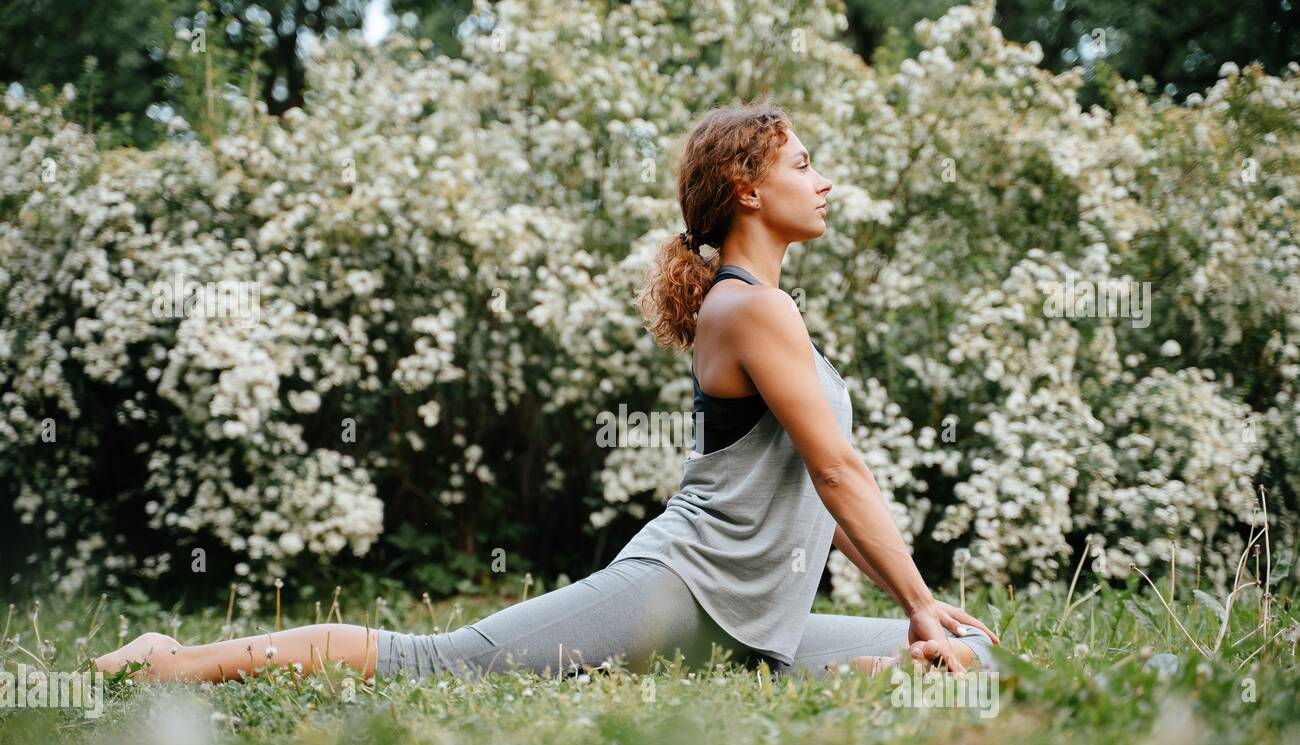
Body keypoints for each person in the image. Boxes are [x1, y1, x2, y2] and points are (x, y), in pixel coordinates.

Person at [94, 101, 1000, 687]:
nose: (824, 179)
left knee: (971, 658)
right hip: (682, 588)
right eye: (804, 163)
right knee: (436, 663)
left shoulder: (773, 311)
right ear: (747, 188)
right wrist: (916, 601)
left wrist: (918, 606)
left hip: (759, 621)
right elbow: (838, 467)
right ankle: (167, 664)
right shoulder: (747, 305)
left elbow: (821, 488)